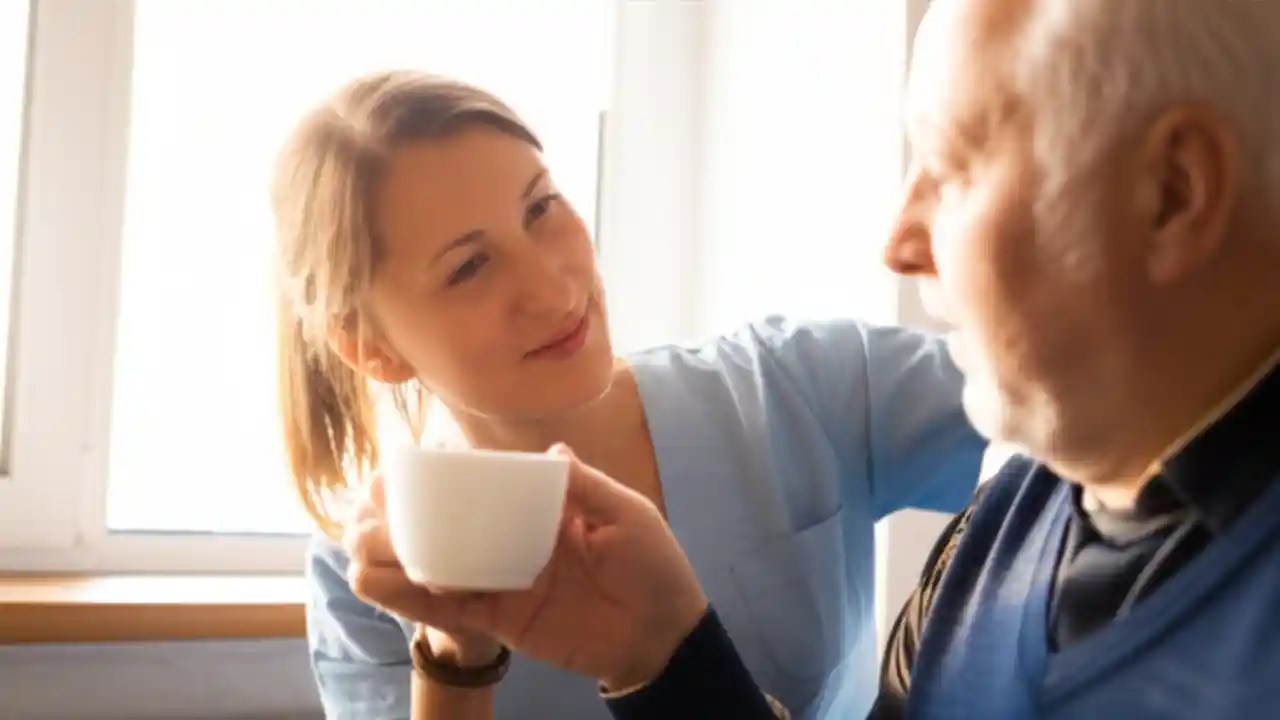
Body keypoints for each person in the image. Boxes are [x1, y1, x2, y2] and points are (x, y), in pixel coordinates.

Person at [346, 1, 1280, 718]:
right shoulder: (1002, 531)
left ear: (1171, 193)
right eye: (467, 266)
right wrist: (662, 652)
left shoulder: (792, 393)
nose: (899, 242)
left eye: (952, 169)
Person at [273, 71, 986, 720]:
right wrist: (455, 655)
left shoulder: (805, 384)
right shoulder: (367, 574)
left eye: (540, 207)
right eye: (469, 268)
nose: (554, 288)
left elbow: (1080, 434)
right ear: (373, 347)